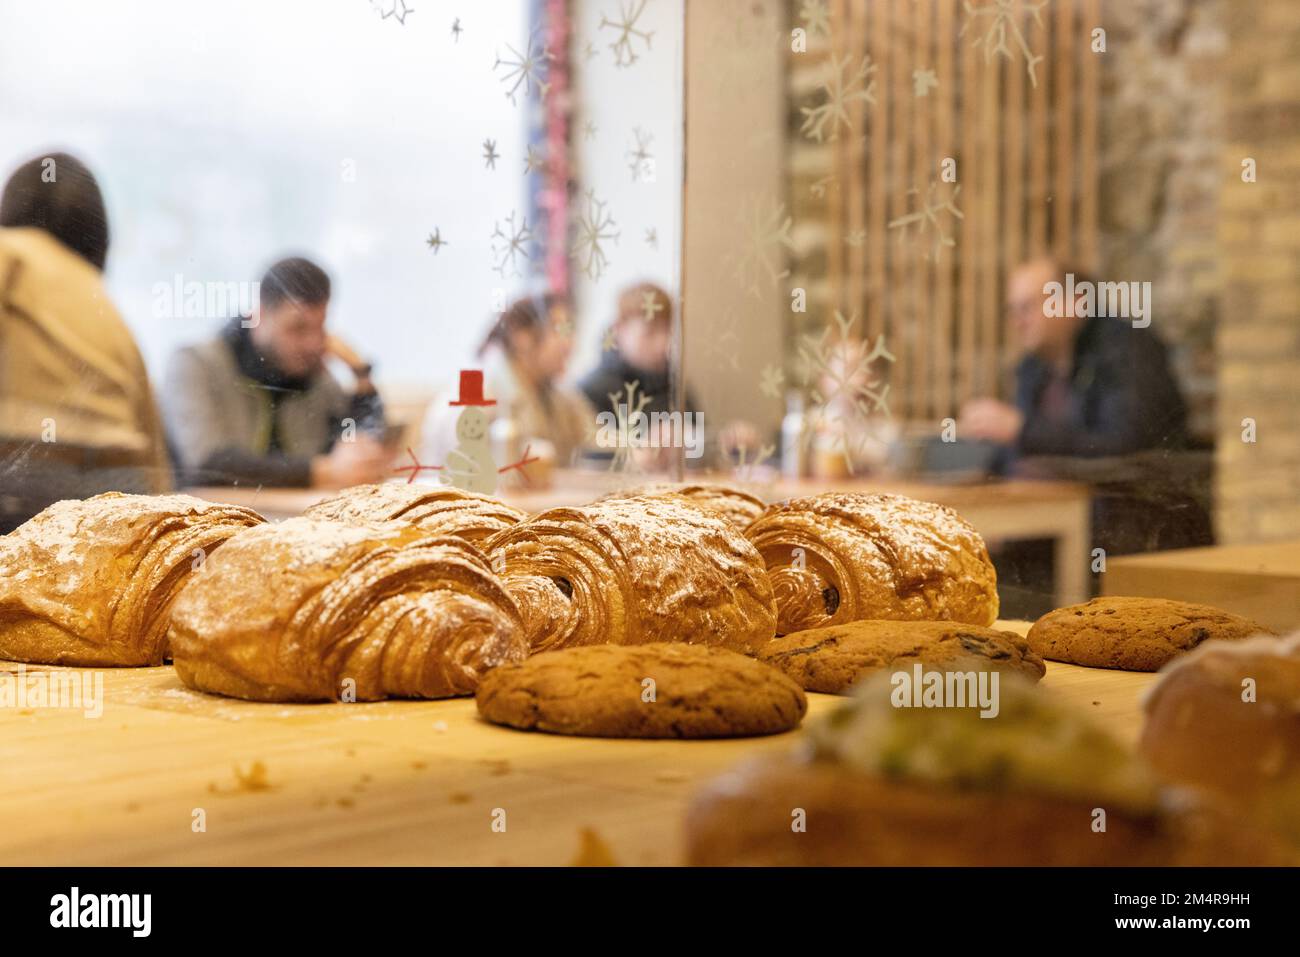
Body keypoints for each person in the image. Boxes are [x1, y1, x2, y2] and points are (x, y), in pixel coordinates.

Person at [0, 151, 172, 531]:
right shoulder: (107, 308)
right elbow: (153, 446)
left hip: (22, 474)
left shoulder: (9, 250)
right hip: (122, 488)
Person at [163, 256, 389, 488]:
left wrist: (361, 374)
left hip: (295, 518)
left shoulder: (314, 375)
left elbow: (354, 438)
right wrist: (321, 472)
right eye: (298, 328)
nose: (312, 343)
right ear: (259, 316)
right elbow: (208, 464)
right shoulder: (194, 364)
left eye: (319, 327)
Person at [959, 256, 1187, 458]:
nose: (1017, 322)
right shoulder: (1033, 366)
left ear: (1076, 302)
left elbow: (1127, 446)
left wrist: (1021, 430)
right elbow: (1017, 454)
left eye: (1027, 307)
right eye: (1012, 310)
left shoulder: (1128, 349)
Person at [476, 294, 595, 465]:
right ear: (521, 336)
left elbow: (596, 436)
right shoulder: (482, 400)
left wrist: (640, 447)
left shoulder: (560, 396)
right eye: (559, 330)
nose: (570, 344)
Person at [579, 282, 697, 418]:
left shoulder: (674, 384)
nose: (663, 344)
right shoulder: (592, 392)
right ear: (620, 329)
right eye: (650, 333)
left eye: (668, 332)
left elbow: (699, 433)